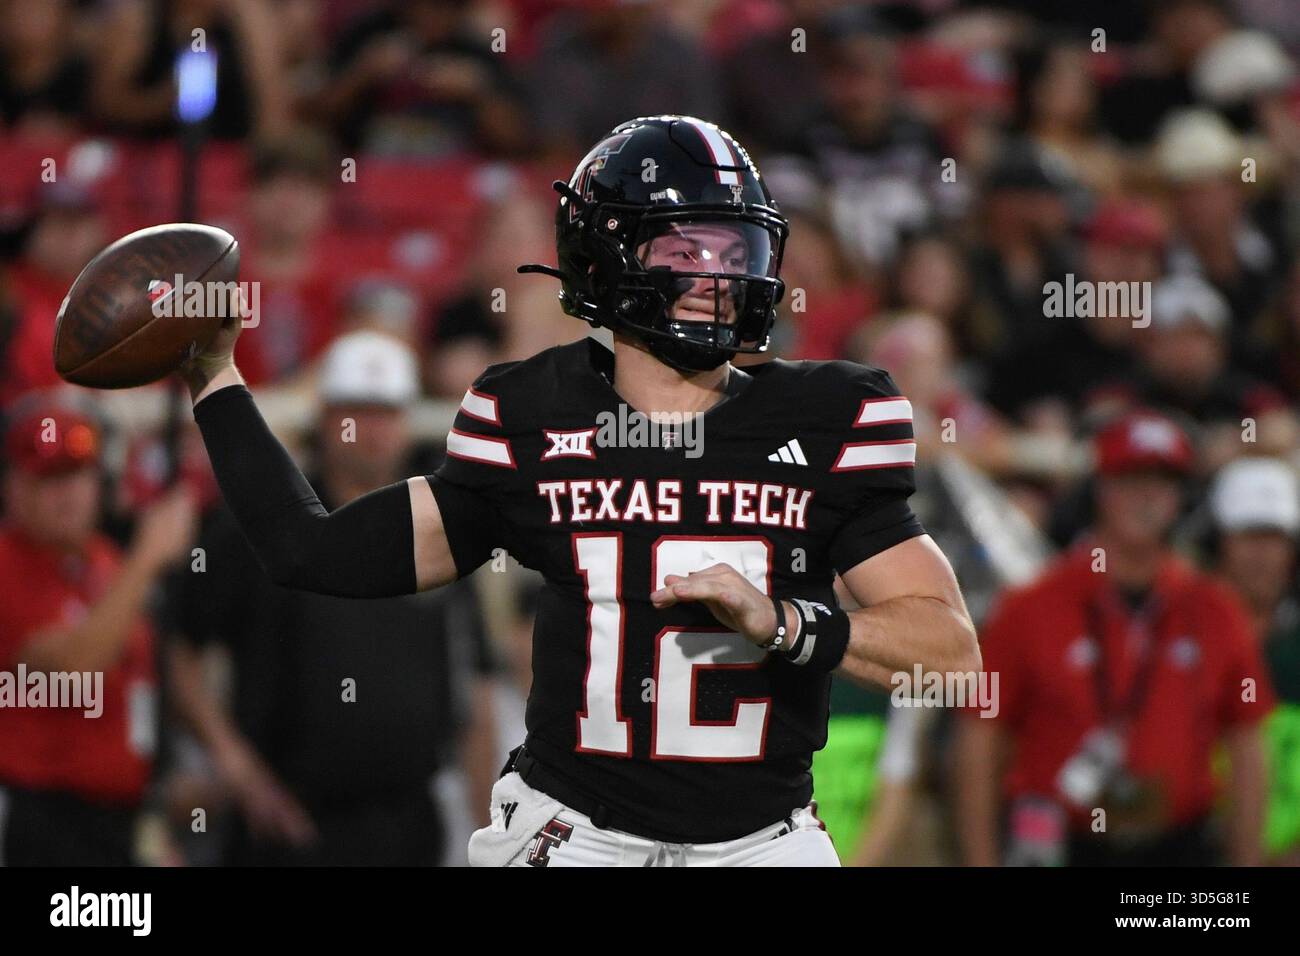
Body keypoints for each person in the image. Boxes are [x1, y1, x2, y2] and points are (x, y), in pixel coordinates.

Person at [177, 115, 978, 867]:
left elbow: (949, 655)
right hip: (577, 834)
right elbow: (308, 548)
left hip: (761, 842)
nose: (718, 277)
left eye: (735, 252)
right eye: (686, 249)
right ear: (606, 257)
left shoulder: (826, 415)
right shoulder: (532, 413)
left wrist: (788, 623)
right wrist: (214, 374)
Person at [169, 332, 497, 866]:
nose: (373, 431)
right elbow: (178, 647)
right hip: (288, 825)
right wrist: (238, 771)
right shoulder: (259, 525)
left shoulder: (439, 525)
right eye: (358, 412)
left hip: (409, 823)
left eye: (387, 412)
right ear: (326, 417)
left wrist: (488, 830)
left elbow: (473, 687)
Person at [954, 411, 1273, 866]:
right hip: (1057, 846)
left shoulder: (1215, 609)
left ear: (1181, 498)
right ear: (1099, 490)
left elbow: (1247, 745)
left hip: (1177, 848)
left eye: (1162, 483)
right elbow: (980, 739)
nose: (1147, 497)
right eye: (1130, 480)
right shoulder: (1031, 605)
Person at [0, 396, 194, 865]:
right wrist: (147, 558)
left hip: (121, 814)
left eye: (77, 474)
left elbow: (147, 666)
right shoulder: (8, 565)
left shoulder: (105, 562)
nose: (67, 493)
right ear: (13, 487)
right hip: (42, 815)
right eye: (48, 479)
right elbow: (73, 665)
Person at [1208, 457, 1300, 862]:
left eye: (1274, 538)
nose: (1262, 555)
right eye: (1248, 536)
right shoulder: (1185, 640)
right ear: (1220, 543)